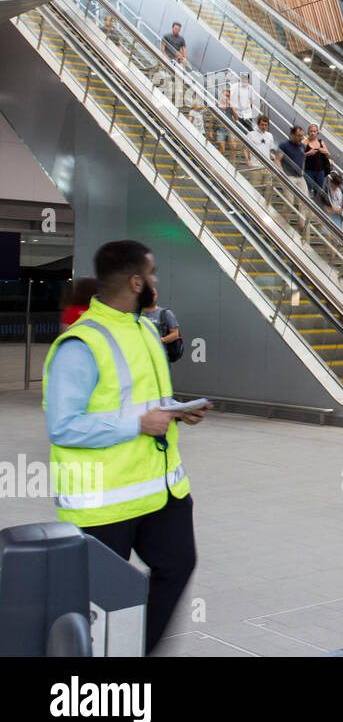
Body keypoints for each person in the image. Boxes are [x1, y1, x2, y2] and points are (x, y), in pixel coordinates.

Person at [42, 240, 210, 654]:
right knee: (99, 602)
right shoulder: (81, 343)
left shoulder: (144, 329)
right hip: (103, 498)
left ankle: (133, 651)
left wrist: (176, 410)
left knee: (177, 565)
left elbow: (142, 398)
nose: (155, 282)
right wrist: (137, 423)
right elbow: (63, 426)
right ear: (136, 281)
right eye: (151, 275)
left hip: (160, 489)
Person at [142, 289, 183, 364]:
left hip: (161, 358)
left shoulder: (165, 314)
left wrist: (160, 341)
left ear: (156, 296)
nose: (151, 297)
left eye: (153, 295)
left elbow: (175, 334)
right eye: (148, 295)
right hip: (142, 358)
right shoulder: (137, 315)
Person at [303, 124, 332, 202]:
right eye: (311, 131)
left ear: (317, 133)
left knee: (319, 190)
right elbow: (299, 155)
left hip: (320, 170)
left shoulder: (321, 142)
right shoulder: (305, 142)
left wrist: (323, 151)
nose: (312, 133)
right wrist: (308, 153)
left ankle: (316, 206)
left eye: (314, 131)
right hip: (309, 170)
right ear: (308, 132)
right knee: (307, 188)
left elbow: (328, 155)